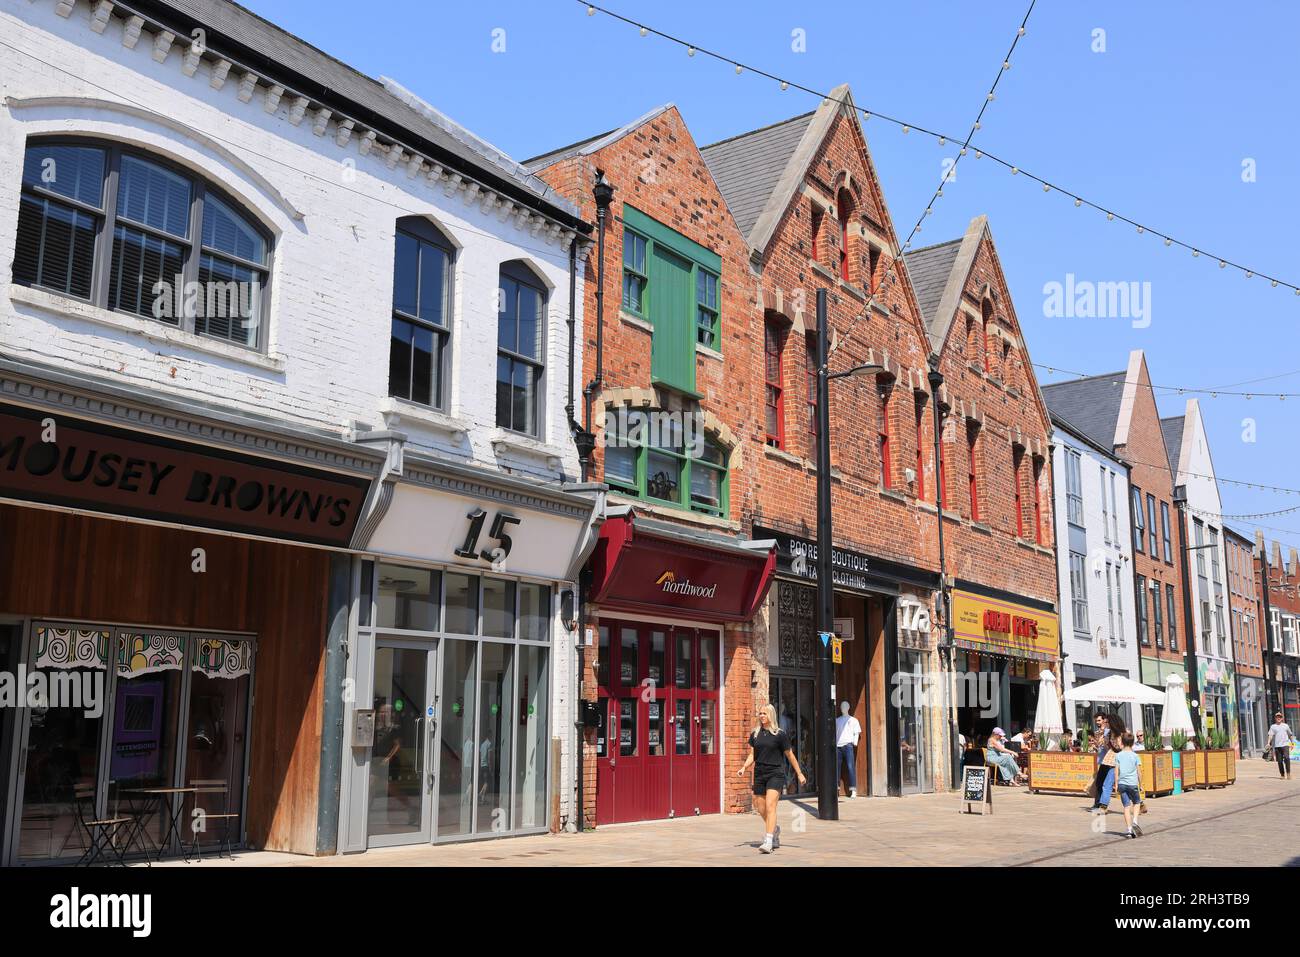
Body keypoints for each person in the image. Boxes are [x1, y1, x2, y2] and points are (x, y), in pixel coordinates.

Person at [738, 703, 806, 854]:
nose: (762, 716)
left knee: (770, 805)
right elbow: (752, 755)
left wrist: (799, 773)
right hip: (760, 772)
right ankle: (774, 829)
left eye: (764, 713)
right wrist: (744, 767)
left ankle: (768, 840)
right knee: (759, 806)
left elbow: (790, 755)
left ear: (771, 715)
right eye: (760, 713)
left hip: (775, 772)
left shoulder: (779, 734)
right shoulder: (755, 734)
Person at [1114, 731, 1143, 839]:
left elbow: (1116, 771)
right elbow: (1139, 772)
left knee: (1126, 807)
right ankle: (1135, 820)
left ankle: (1129, 829)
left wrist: (1116, 784)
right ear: (1132, 743)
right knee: (1137, 802)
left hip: (1122, 784)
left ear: (1122, 742)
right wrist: (1141, 784)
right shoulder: (1135, 756)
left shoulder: (1118, 755)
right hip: (1132, 784)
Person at [1088, 713, 1115, 813]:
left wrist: (1103, 736)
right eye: (1096, 721)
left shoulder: (1108, 732)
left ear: (1104, 721)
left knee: (1105, 784)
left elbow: (1109, 746)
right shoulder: (1099, 732)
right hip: (1103, 761)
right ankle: (1098, 805)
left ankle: (1101, 806)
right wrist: (1095, 744)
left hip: (1110, 761)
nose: (1098, 723)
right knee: (1100, 784)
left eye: (1099, 720)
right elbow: (1100, 746)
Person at [835, 701, 861, 799]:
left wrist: (855, 742)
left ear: (849, 707)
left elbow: (857, 732)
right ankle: (836, 789)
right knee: (837, 769)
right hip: (838, 746)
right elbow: (835, 733)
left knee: (850, 767)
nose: (843, 708)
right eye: (842, 706)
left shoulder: (853, 720)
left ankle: (853, 790)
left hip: (848, 745)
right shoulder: (837, 720)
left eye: (845, 706)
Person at [1267, 711, 1295, 779]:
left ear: (1282, 718)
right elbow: (1270, 735)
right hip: (1277, 746)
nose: (1278, 718)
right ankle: (1282, 774)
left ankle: (1288, 773)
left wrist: (1292, 743)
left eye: (1280, 717)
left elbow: (1290, 735)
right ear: (1275, 718)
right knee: (1279, 761)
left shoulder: (1286, 726)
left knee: (1287, 758)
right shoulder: (1273, 726)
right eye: (1277, 717)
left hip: (1285, 745)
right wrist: (1268, 743)